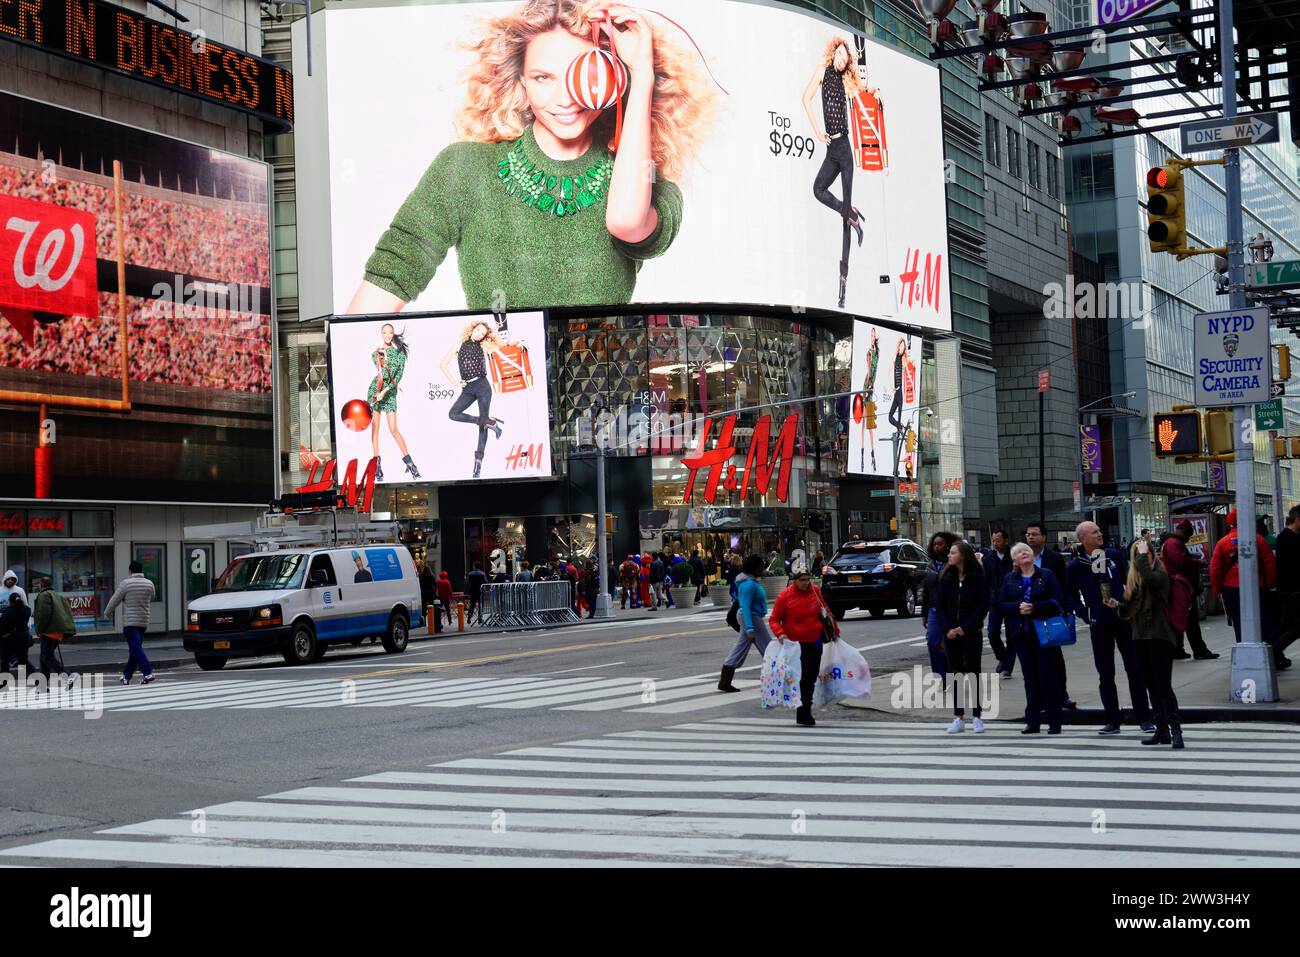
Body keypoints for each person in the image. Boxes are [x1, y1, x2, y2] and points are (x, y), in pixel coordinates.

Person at [347, 2, 712, 315]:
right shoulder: (466, 170)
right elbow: (393, 271)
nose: (565, 98)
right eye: (543, 78)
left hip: (603, 390)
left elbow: (626, 222)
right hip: (503, 387)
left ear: (612, 79)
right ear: (521, 81)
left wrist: (641, 75)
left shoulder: (645, 187)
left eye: (580, 75)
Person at [1067, 521, 1154, 735]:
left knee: (1135, 669)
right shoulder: (1076, 565)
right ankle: (1112, 720)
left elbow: (1130, 580)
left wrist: (1129, 603)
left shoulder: (1113, 555)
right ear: (1083, 538)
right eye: (1094, 531)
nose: (1099, 533)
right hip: (1099, 623)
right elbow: (1069, 595)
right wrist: (1085, 614)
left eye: (1099, 530)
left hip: (1124, 619)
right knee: (1106, 673)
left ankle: (1144, 717)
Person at [802, 37, 865, 309]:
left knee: (844, 225)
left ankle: (843, 285)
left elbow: (864, 91)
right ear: (833, 54)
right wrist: (817, 131)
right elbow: (805, 99)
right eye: (839, 54)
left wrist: (875, 91)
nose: (841, 59)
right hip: (831, 149)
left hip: (845, 150)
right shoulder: (822, 71)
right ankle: (850, 211)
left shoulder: (846, 82)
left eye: (845, 57)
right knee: (818, 189)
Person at [1107, 538, 1185, 749]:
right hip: (1140, 638)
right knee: (1151, 685)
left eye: (1146, 554)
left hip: (1160, 637)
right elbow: (1130, 612)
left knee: (1163, 685)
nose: (1143, 557)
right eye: (1138, 555)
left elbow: (1151, 578)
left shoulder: (1160, 575)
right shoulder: (1134, 581)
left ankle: (1176, 730)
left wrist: (1142, 556)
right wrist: (1116, 605)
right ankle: (1161, 731)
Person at [999, 542, 1065, 734]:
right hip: (1021, 633)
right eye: (1019, 552)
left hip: (1043, 632)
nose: (1024, 553)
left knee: (1048, 676)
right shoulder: (1010, 578)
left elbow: (1057, 601)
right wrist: (1017, 607)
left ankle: (1054, 720)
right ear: (1015, 560)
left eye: (1026, 550)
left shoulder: (1046, 575)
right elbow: (1001, 604)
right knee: (1030, 677)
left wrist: (1035, 607)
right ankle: (1033, 720)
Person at [769, 569, 840, 727]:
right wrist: (780, 634)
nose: (807, 583)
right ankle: (803, 711)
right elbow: (774, 619)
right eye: (803, 580)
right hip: (796, 645)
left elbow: (825, 611)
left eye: (809, 579)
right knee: (804, 677)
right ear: (795, 581)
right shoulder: (785, 596)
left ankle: (804, 709)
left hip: (815, 640)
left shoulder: (815, 591)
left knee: (812, 676)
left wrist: (834, 629)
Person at [935, 541, 989, 734]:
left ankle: (977, 716)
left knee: (973, 672)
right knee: (955, 673)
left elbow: (983, 606)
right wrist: (948, 628)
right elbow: (939, 606)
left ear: (963, 556)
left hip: (970, 632)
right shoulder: (946, 577)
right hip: (950, 633)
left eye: (953, 552)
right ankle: (958, 716)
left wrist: (964, 627)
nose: (949, 556)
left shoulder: (977, 577)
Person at [1026, 521, 1076, 710]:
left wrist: (1064, 608)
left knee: (1054, 656)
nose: (1031, 537)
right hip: (1027, 616)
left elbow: (1064, 585)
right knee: (1032, 661)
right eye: (1028, 534)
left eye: (1034, 534)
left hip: (1050, 614)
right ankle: (1038, 698)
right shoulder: (1019, 557)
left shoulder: (1054, 559)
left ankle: (1061, 694)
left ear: (1044, 537)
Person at [1210, 508, 1276, 642]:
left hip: (1232, 589)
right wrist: (1268, 585)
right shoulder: (1259, 540)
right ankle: (1265, 649)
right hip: (1257, 587)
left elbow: (1215, 569)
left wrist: (1217, 588)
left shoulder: (1222, 543)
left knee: (1239, 622)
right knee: (1262, 621)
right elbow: (1270, 564)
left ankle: (1243, 647)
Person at [365, 322, 419, 482]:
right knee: (375, 428)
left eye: (390, 333)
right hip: (376, 390)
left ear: (393, 334)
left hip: (388, 392)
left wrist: (385, 392)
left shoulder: (400, 355)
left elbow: (397, 377)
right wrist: (378, 393)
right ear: (381, 334)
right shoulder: (376, 354)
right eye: (384, 333)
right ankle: (377, 467)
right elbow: (382, 370)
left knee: (394, 429)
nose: (387, 335)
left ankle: (410, 464)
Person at [1161, 521, 1218, 661]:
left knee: (1179, 619)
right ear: (1182, 531)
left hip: (1177, 587)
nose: (1188, 538)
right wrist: (1198, 563)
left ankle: (1177, 649)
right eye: (1188, 535)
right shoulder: (1174, 543)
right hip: (1180, 588)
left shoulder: (1170, 543)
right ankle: (1199, 650)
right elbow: (1182, 562)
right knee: (1190, 620)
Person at [718, 554, 770, 692]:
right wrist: (750, 628)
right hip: (752, 618)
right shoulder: (748, 585)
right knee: (769, 649)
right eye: (761, 566)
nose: (763, 569)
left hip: (751, 617)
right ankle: (779, 679)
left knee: (740, 648)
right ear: (755, 567)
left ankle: (725, 681)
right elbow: (745, 606)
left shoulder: (749, 582)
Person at [103, 561, 156, 686]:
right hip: (143, 621)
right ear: (141, 571)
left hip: (130, 622)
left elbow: (115, 599)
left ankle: (148, 672)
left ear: (130, 571)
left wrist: (107, 612)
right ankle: (126, 676)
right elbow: (152, 598)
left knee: (136, 648)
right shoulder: (149, 584)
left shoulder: (126, 584)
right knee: (135, 649)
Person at [1269, 505, 1300, 669]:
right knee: (1296, 627)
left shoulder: (1288, 537)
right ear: (1297, 520)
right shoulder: (1287, 538)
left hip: (1289, 589)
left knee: (1287, 624)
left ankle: (1270, 652)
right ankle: (1273, 653)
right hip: (1291, 590)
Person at [32, 579, 77, 690]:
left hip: (49, 631)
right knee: (45, 657)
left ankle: (67, 675)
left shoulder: (43, 595)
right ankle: (43, 685)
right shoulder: (57, 595)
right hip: (57, 631)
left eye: (38, 584)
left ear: (41, 584)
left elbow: (44, 614)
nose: (38, 585)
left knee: (46, 657)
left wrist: (39, 629)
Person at [982, 529, 1014, 678]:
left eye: (998, 540)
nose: (995, 543)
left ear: (1006, 541)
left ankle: (1008, 667)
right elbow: (985, 580)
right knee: (992, 632)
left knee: (1012, 634)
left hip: (1012, 601)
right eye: (993, 540)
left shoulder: (1013, 557)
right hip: (995, 602)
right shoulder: (988, 559)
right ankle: (1002, 657)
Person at [0, 593, 33, 676]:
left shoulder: (8, 611)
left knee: (4, 661)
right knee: (24, 661)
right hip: (24, 637)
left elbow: (2, 625)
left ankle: (3, 682)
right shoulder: (26, 610)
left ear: (10, 601)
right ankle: (39, 681)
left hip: (10, 638)